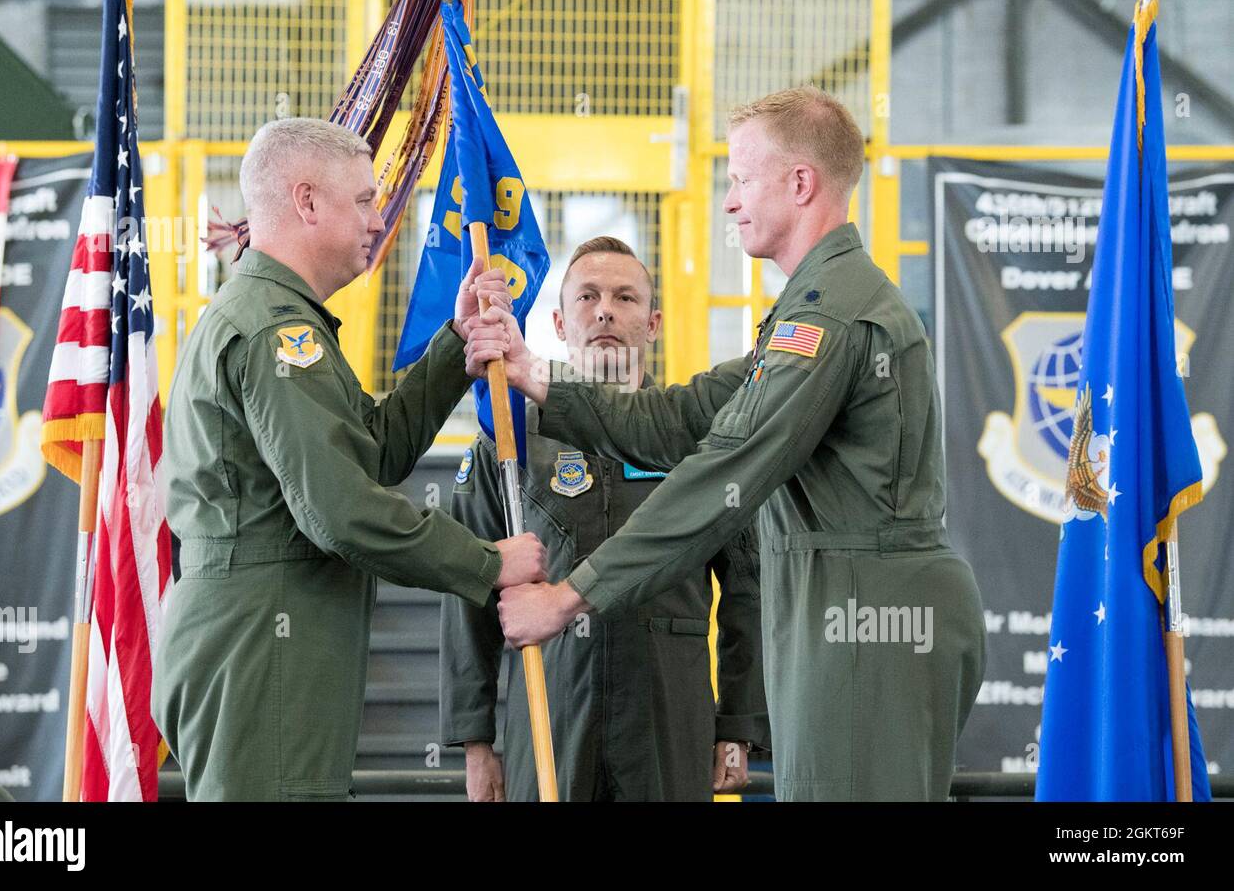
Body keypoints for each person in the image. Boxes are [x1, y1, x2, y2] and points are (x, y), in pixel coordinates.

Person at [467, 87, 988, 802]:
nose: (729, 201)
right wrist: (540, 381)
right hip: (843, 608)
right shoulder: (813, 309)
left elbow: (720, 476)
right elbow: (689, 414)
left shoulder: (829, 318)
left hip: (868, 617)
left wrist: (567, 597)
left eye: (741, 179)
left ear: (800, 184)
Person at [150, 117, 547, 801]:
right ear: (306, 202)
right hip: (263, 639)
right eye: (364, 200)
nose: (376, 218)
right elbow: (339, 508)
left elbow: (369, 452)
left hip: (261, 631)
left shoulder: (279, 317)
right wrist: (487, 564)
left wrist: (456, 348)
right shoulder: (278, 331)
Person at [441, 237, 769, 802]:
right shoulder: (510, 442)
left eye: (625, 297)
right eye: (587, 297)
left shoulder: (699, 443)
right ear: (560, 323)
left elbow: (748, 589)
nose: (605, 310)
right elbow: (467, 588)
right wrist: (475, 743)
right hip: (551, 708)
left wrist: (737, 724)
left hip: (668, 712)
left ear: (654, 322)